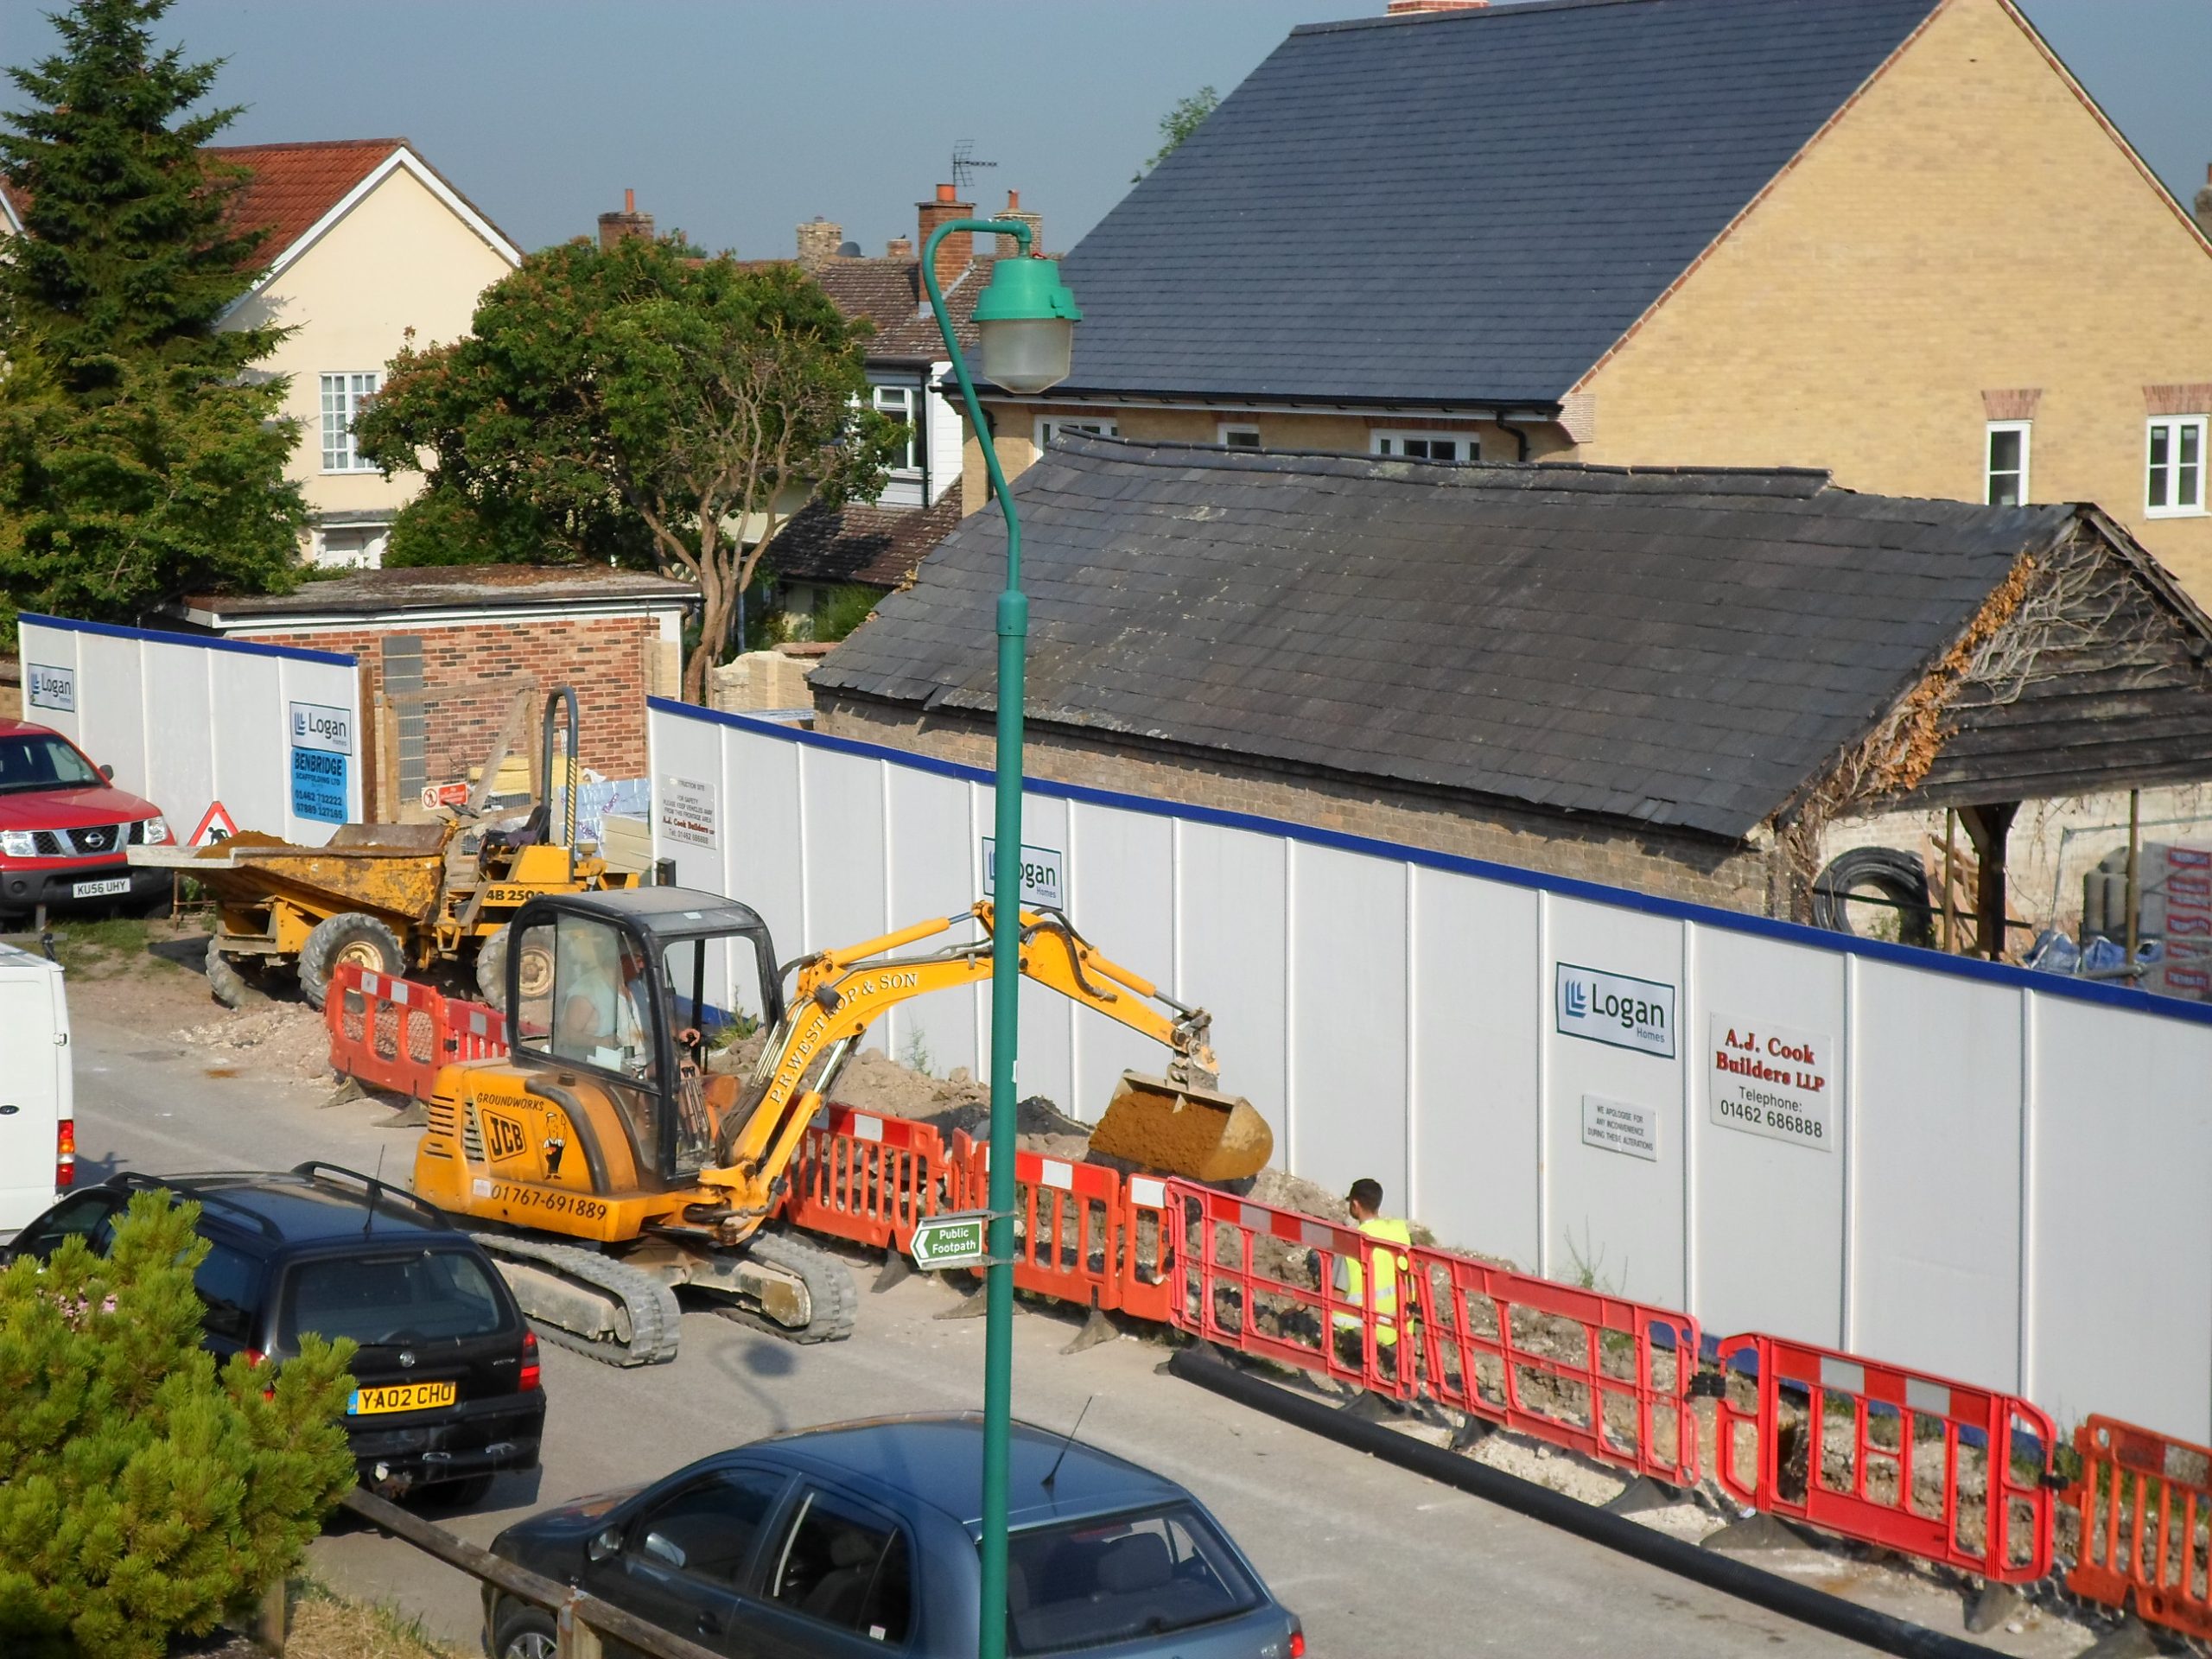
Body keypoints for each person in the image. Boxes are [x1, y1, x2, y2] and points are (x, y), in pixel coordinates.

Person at [1331, 1178, 1414, 1376]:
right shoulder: (1399, 1232)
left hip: (1361, 1333)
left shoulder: (1352, 1241)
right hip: (1399, 1329)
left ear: (1355, 1205)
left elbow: (1335, 1296)